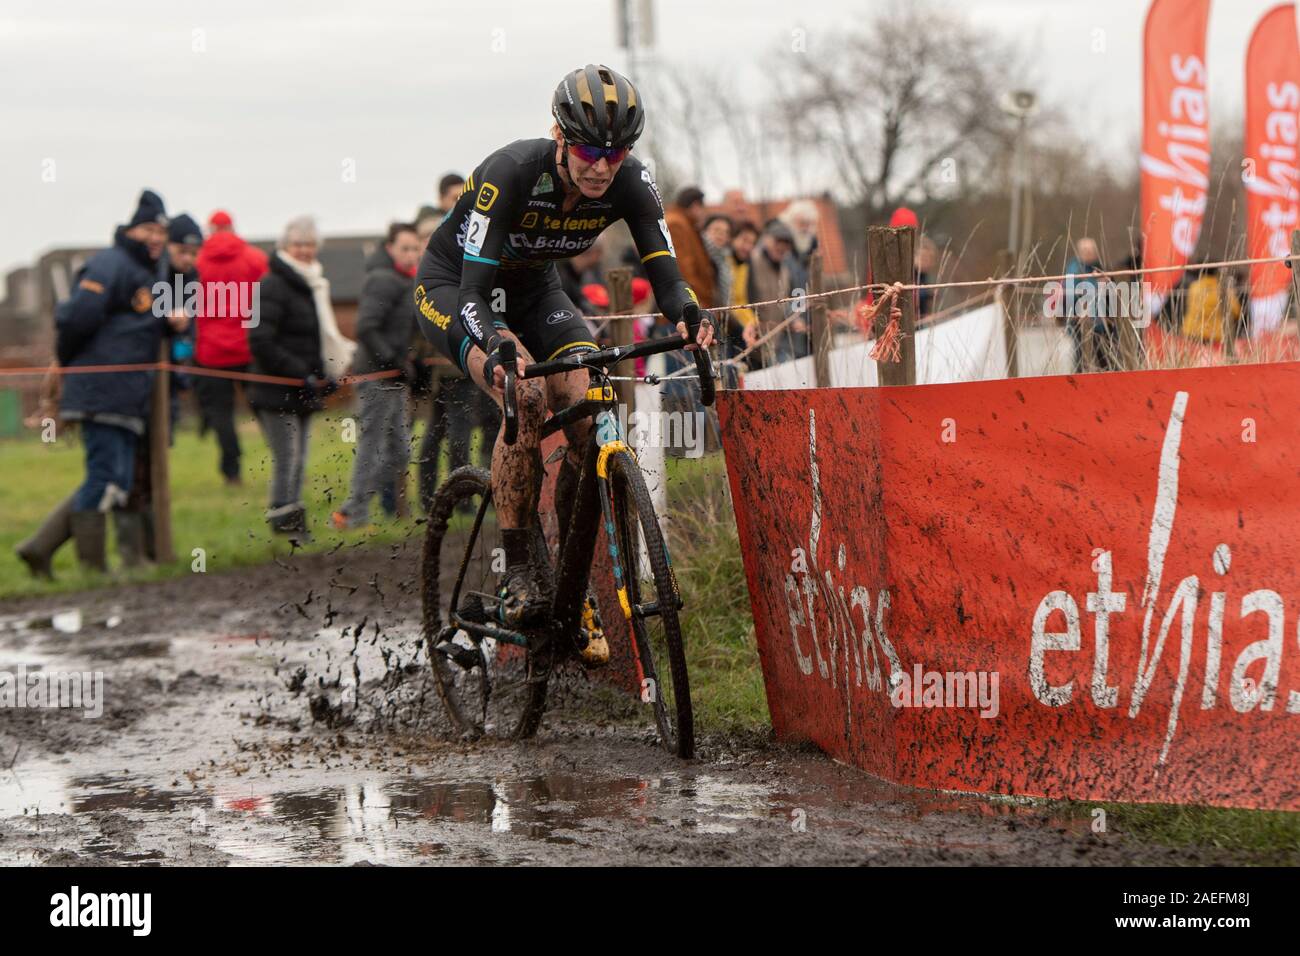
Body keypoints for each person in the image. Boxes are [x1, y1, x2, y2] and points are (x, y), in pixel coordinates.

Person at [412, 63, 714, 664]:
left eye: (615, 152)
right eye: (586, 149)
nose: (600, 165)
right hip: (457, 290)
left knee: (587, 404)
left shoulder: (632, 181)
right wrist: (497, 348)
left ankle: (571, 590)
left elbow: (666, 272)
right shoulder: (511, 172)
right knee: (523, 396)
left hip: (535, 292)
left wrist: (687, 312)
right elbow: (473, 291)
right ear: (558, 135)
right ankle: (519, 571)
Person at [17, 190, 184, 576]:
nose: (155, 237)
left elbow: (137, 321)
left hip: (127, 392)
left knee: (115, 480)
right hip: (101, 388)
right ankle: (93, 569)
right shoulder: (110, 264)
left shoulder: (151, 272)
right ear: (132, 229)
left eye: (161, 230)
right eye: (148, 229)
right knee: (106, 477)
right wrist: (73, 363)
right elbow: (77, 318)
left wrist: (171, 320)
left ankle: (39, 547)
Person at [247, 216, 353, 538]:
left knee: (300, 460)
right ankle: (285, 528)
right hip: (275, 389)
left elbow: (315, 338)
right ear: (285, 247)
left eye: (309, 244)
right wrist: (300, 374)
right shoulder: (271, 285)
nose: (304, 250)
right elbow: (260, 339)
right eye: (298, 244)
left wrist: (323, 376)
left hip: (302, 388)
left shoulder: (311, 285)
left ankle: (293, 526)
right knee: (287, 459)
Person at [333, 222, 422, 529]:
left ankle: (373, 509)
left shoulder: (406, 281)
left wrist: (408, 361)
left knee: (399, 450)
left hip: (394, 376)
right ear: (390, 249)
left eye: (415, 249)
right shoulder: (382, 280)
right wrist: (395, 360)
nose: (411, 255)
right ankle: (352, 513)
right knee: (374, 446)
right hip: (375, 376)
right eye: (405, 249)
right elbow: (366, 327)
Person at [194, 209, 268, 486]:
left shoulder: (197, 262)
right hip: (249, 347)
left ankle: (232, 472)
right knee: (264, 407)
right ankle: (283, 459)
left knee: (221, 414)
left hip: (211, 352)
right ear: (232, 227)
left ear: (211, 229)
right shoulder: (255, 258)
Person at [746, 219, 801, 365]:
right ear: (766, 240)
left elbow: (797, 293)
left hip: (778, 339)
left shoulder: (787, 267)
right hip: (751, 337)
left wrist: (795, 316)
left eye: (786, 243)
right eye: (778, 241)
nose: (782, 247)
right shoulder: (751, 260)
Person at [664, 186, 716, 309]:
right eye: (702, 208)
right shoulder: (677, 224)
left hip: (686, 301)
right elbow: (684, 268)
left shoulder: (683, 223)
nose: (703, 212)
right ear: (695, 205)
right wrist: (697, 299)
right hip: (686, 305)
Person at [701, 214, 733, 313]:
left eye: (725, 232)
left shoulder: (725, 259)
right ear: (705, 231)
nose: (721, 235)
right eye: (716, 230)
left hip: (717, 314)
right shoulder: (700, 255)